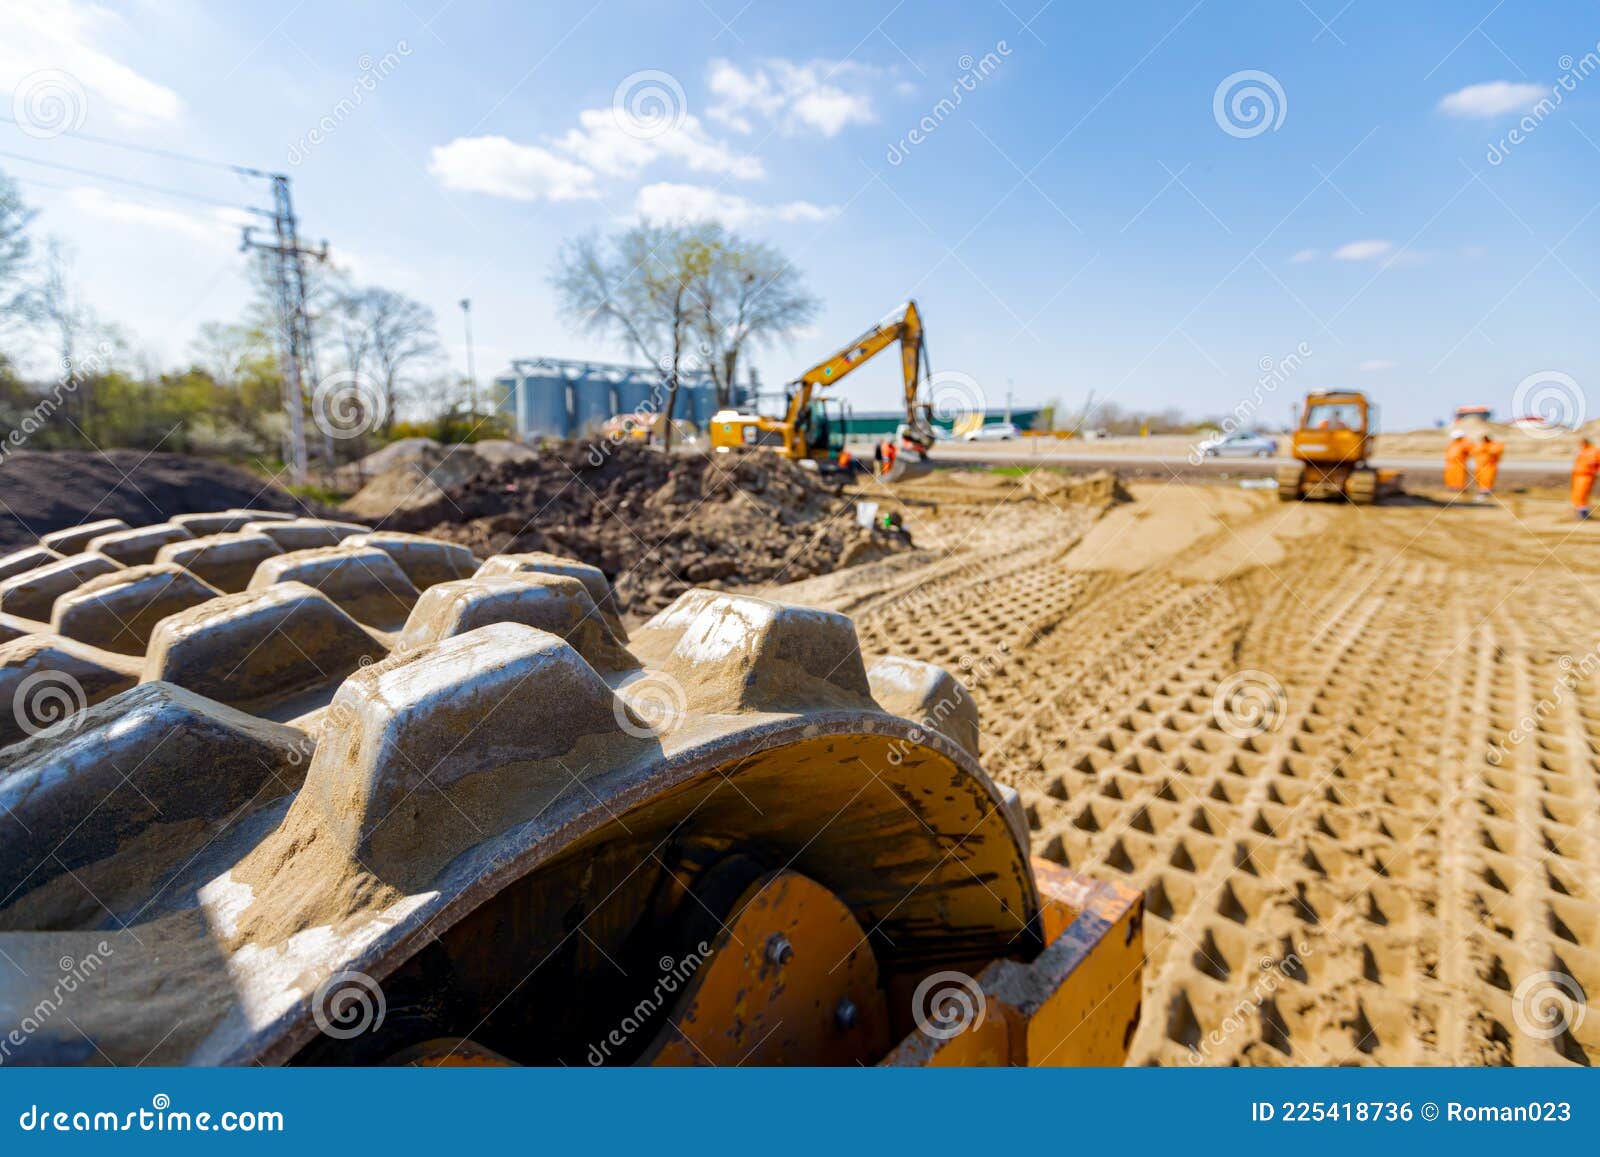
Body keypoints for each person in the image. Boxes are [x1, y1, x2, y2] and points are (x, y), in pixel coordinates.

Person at [1572, 438, 1600, 520]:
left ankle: (1583, 514)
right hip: (1577, 476)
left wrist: (1594, 471)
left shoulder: (1593, 451)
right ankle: (1580, 512)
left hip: (1587, 476)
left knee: (1582, 494)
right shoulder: (1582, 451)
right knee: (1576, 495)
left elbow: (1597, 462)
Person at [1473, 433, 1504, 502]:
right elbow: (1474, 451)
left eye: (1486, 438)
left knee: (1487, 479)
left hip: (1490, 466)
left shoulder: (1494, 445)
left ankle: (1485, 493)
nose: (1484, 440)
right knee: (1479, 479)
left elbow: (1496, 451)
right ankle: (1482, 492)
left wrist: (1486, 449)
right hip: (1480, 466)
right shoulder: (1480, 445)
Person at [1443, 429, 1473, 494]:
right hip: (1450, 464)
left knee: (1460, 476)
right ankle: (1451, 487)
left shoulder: (1466, 443)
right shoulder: (1452, 444)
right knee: (1450, 476)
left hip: (1459, 464)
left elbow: (1471, 450)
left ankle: (1459, 488)